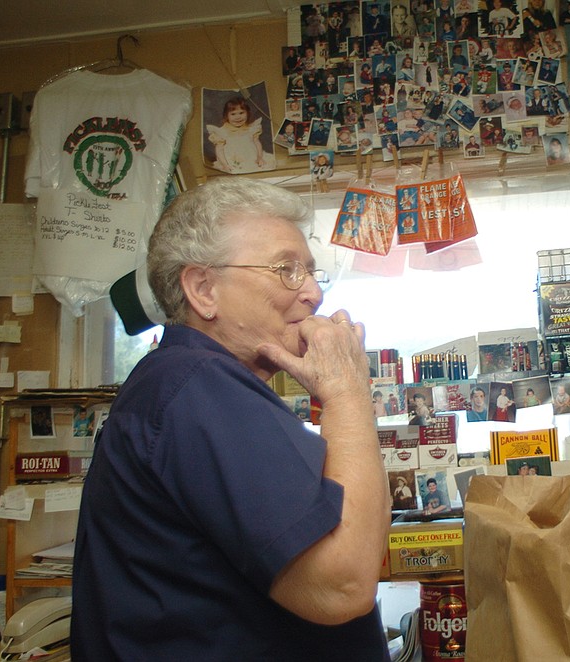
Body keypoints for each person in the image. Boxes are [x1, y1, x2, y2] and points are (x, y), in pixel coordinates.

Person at [71, 178, 391, 659]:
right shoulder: (197, 386)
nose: (313, 294)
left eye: (310, 271)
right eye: (286, 269)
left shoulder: (186, 384)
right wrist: (346, 391)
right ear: (203, 290)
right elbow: (341, 586)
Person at [207, 96, 272, 174]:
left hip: (252, 160)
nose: (238, 117)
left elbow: (257, 143)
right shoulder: (222, 132)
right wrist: (225, 165)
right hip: (231, 163)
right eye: (233, 114)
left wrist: (260, 157)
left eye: (241, 113)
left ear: (247, 113)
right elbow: (219, 149)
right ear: (226, 116)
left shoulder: (251, 129)